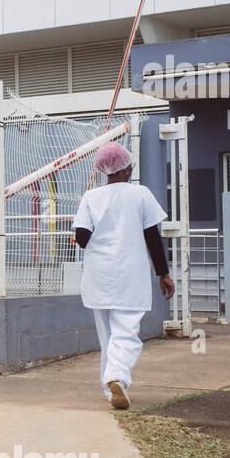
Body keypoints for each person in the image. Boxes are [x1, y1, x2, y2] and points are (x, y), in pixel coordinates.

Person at [73, 142, 176, 410]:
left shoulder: (90, 198)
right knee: (126, 334)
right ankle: (116, 377)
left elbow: (82, 239)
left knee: (107, 336)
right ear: (127, 169)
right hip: (130, 276)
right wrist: (163, 274)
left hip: (99, 277)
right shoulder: (140, 194)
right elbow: (153, 238)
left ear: (104, 170)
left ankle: (111, 389)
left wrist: (82, 232)